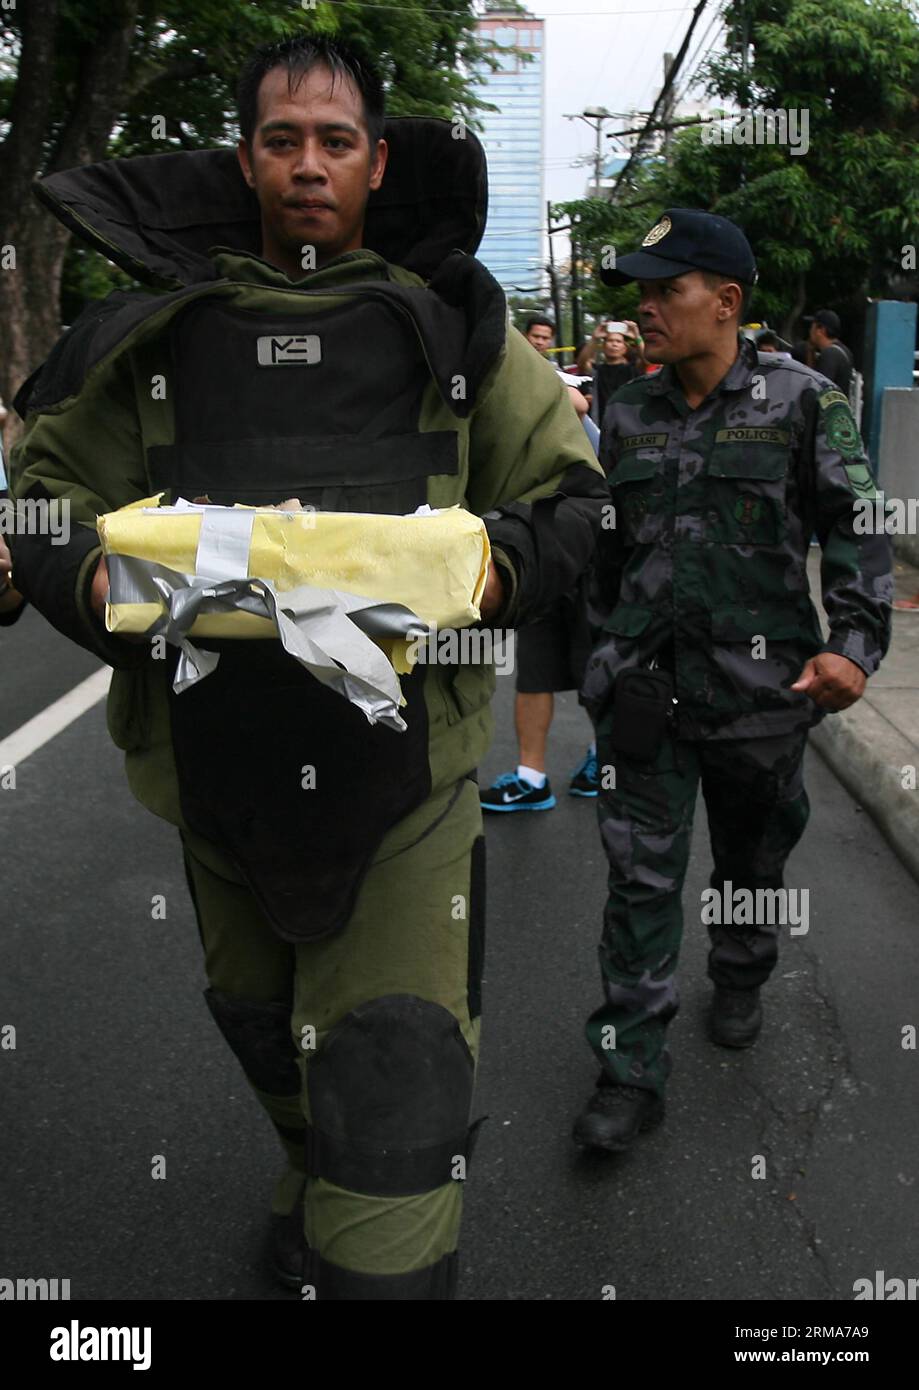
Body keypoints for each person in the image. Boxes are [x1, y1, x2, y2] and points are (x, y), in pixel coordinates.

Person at [8, 34, 606, 1298]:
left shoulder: (452, 335)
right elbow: (41, 501)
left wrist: (484, 573)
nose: (308, 165)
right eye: (281, 140)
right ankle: (311, 1172)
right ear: (247, 160)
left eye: (336, 141)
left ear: (377, 163)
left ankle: (366, 1233)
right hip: (214, 784)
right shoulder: (157, 339)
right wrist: (96, 582)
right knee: (266, 1034)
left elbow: (573, 501)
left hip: (406, 789)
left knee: (393, 1075)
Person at [572, 207, 892, 1153]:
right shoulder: (625, 408)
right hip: (644, 695)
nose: (648, 308)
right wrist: (599, 654)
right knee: (637, 882)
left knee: (751, 859)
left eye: (666, 289)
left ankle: (743, 967)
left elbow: (856, 522)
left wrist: (855, 644)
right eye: (643, 290)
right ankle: (628, 1068)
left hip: (760, 694)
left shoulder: (800, 401)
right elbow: (601, 548)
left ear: (726, 301)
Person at [479, 316, 602, 811]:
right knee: (535, 669)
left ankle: (602, 759)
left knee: (597, 664)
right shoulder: (508, 396)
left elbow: (577, 402)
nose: (538, 345)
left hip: (590, 547)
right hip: (534, 545)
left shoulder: (561, 393)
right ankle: (532, 777)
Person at [806, 309, 853, 395]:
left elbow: (816, 389)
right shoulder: (843, 350)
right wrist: (810, 352)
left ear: (821, 330)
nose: (810, 331)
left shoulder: (830, 354)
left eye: (812, 327)